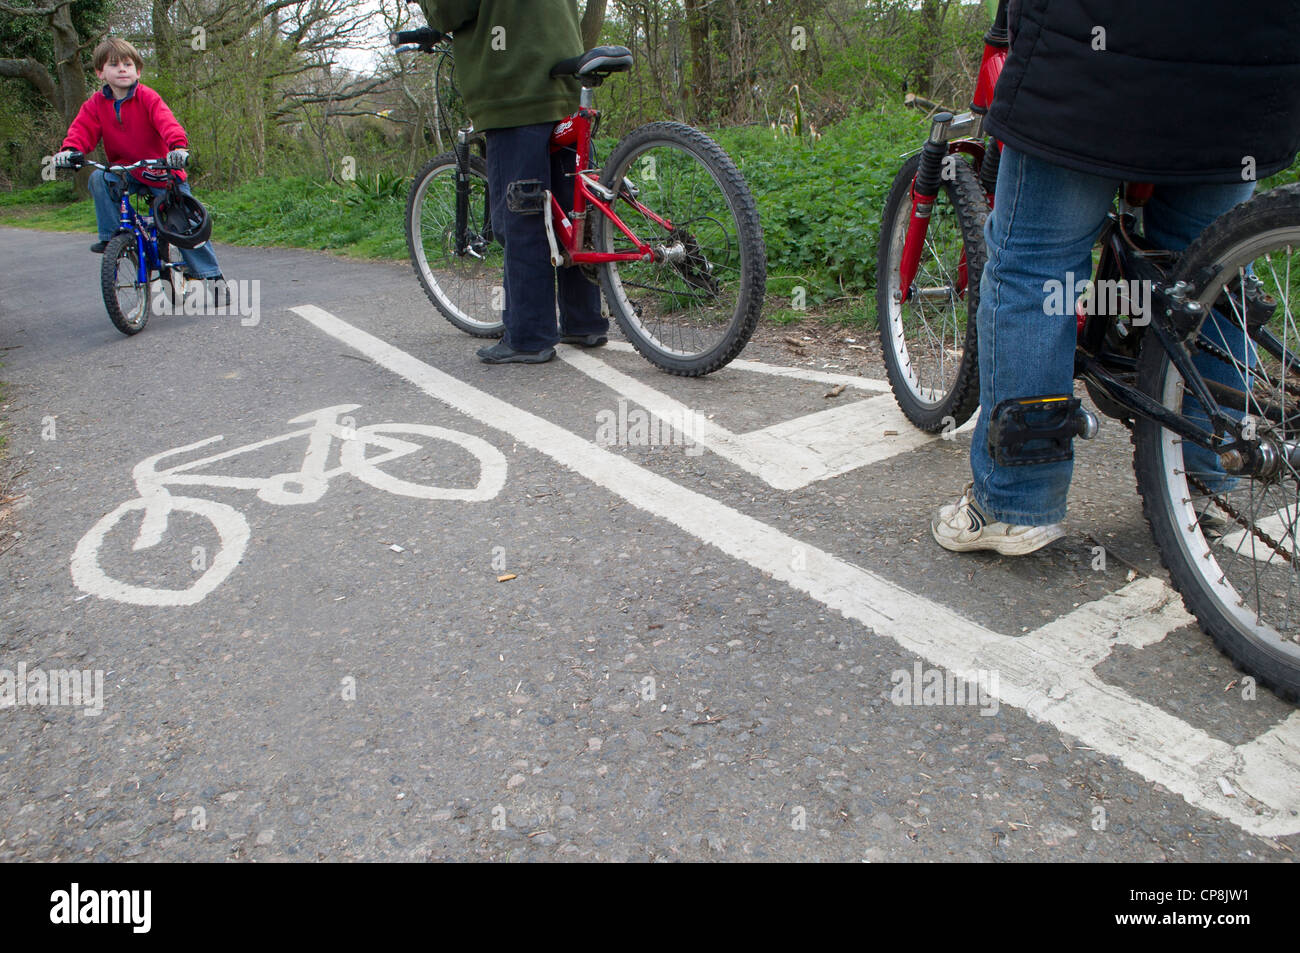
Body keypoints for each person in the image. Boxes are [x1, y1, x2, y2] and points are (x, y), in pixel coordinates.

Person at [932, 0, 1300, 555]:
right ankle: (1203, 476)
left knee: (1036, 265)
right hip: (1253, 62)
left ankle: (1015, 501)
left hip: (1095, 64)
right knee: (1205, 276)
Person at [417, 0, 608, 364]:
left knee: (522, 214)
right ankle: (583, 321)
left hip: (514, 84)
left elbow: (451, 10)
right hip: (563, 74)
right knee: (571, 207)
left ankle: (529, 334)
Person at [52, 38, 226, 296]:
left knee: (184, 223)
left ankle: (212, 277)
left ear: (138, 71)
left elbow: (168, 124)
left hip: (162, 171)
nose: (122, 69)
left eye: (128, 64)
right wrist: (70, 151)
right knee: (99, 178)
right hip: (126, 171)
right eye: (114, 64)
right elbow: (81, 130)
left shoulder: (148, 98)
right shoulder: (95, 105)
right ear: (100, 72)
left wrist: (177, 148)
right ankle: (115, 239)